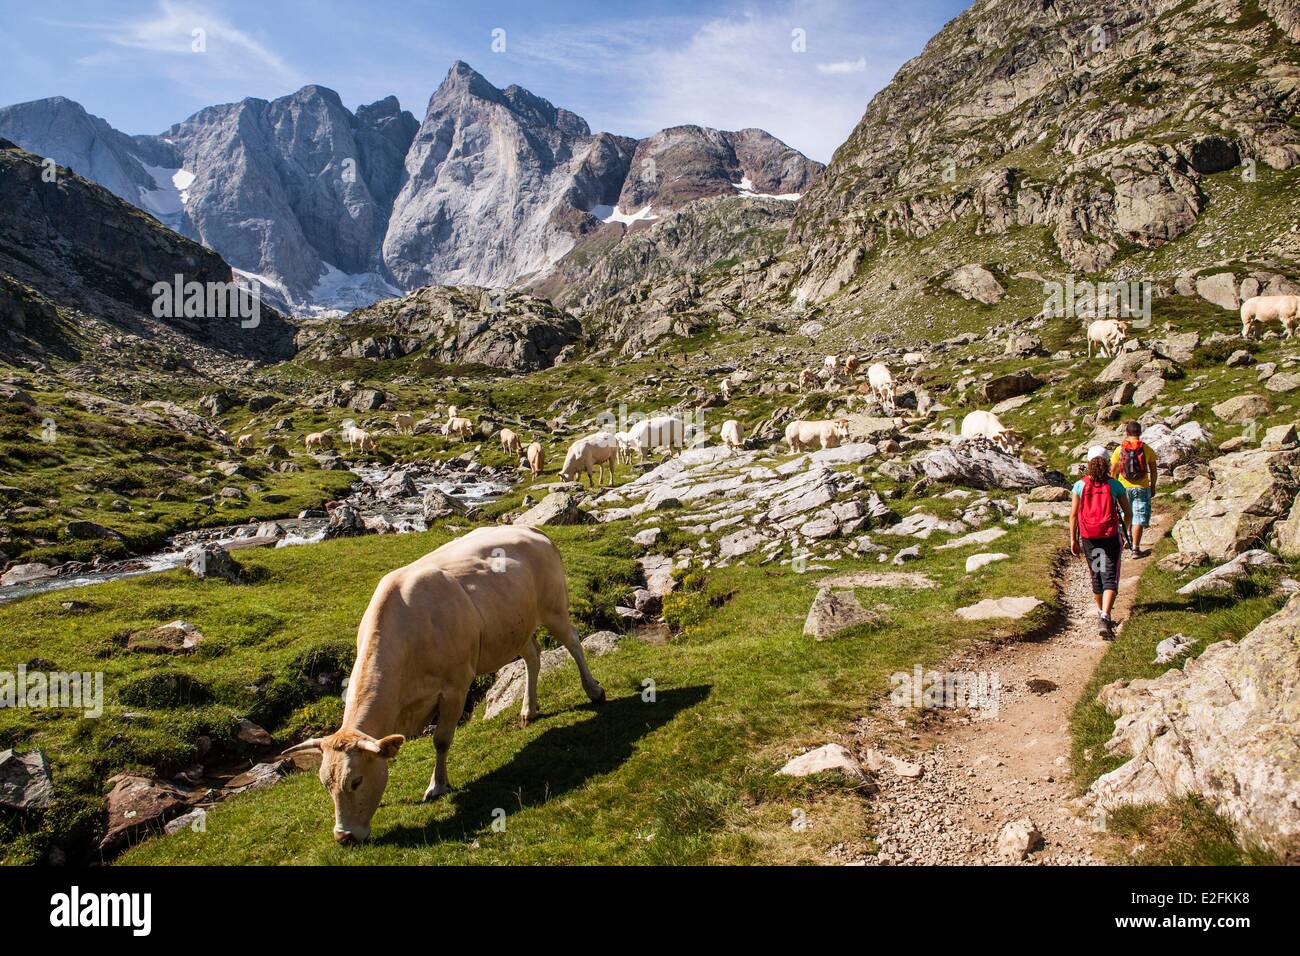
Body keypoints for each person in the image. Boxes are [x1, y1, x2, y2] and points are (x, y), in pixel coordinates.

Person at [1071, 445, 1133, 639]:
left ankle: (1101, 612)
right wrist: (1123, 531)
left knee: (1097, 573)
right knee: (1110, 574)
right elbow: (1128, 512)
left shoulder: (1080, 485)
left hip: (1090, 538)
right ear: (1107, 462)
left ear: (1088, 463)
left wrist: (1073, 538)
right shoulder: (1115, 485)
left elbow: (1073, 515)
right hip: (1110, 537)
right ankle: (1105, 615)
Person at [1110, 420, 1157, 557]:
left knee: (1125, 513)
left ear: (1126, 433)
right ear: (1140, 433)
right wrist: (1152, 486)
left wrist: (1113, 487)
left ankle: (1125, 537)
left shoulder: (1120, 449)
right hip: (1142, 487)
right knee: (1138, 517)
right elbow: (1153, 471)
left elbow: (1113, 469)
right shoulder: (1146, 449)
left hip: (1122, 488)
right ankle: (1135, 549)